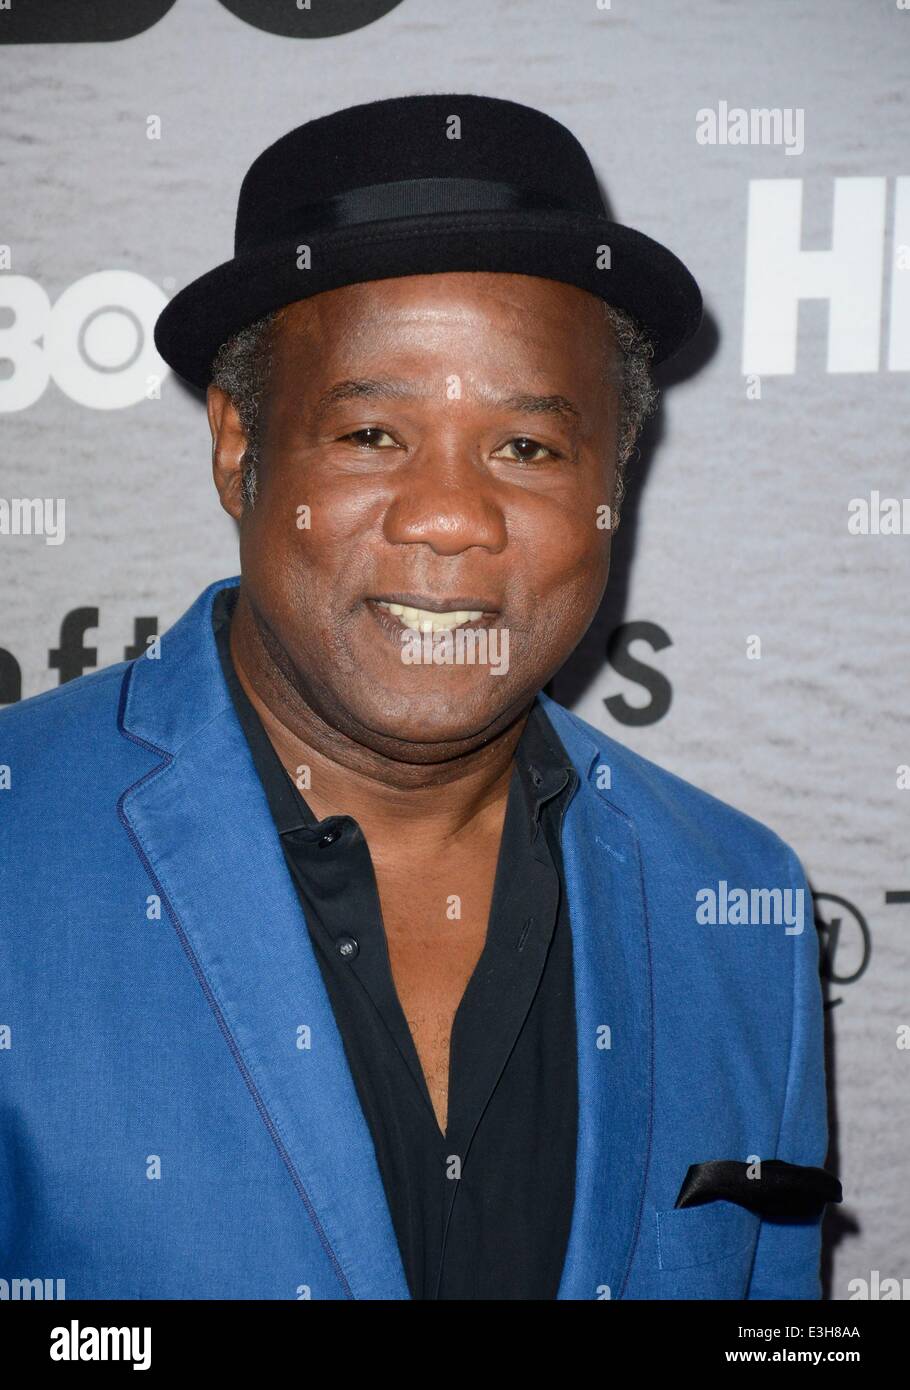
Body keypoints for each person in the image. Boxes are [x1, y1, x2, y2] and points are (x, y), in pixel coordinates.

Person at [0, 93, 837, 1300]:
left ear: (616, 479)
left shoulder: (735, 897)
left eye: (527, 448)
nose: (449, 514)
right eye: (372, 434)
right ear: (240, 447)